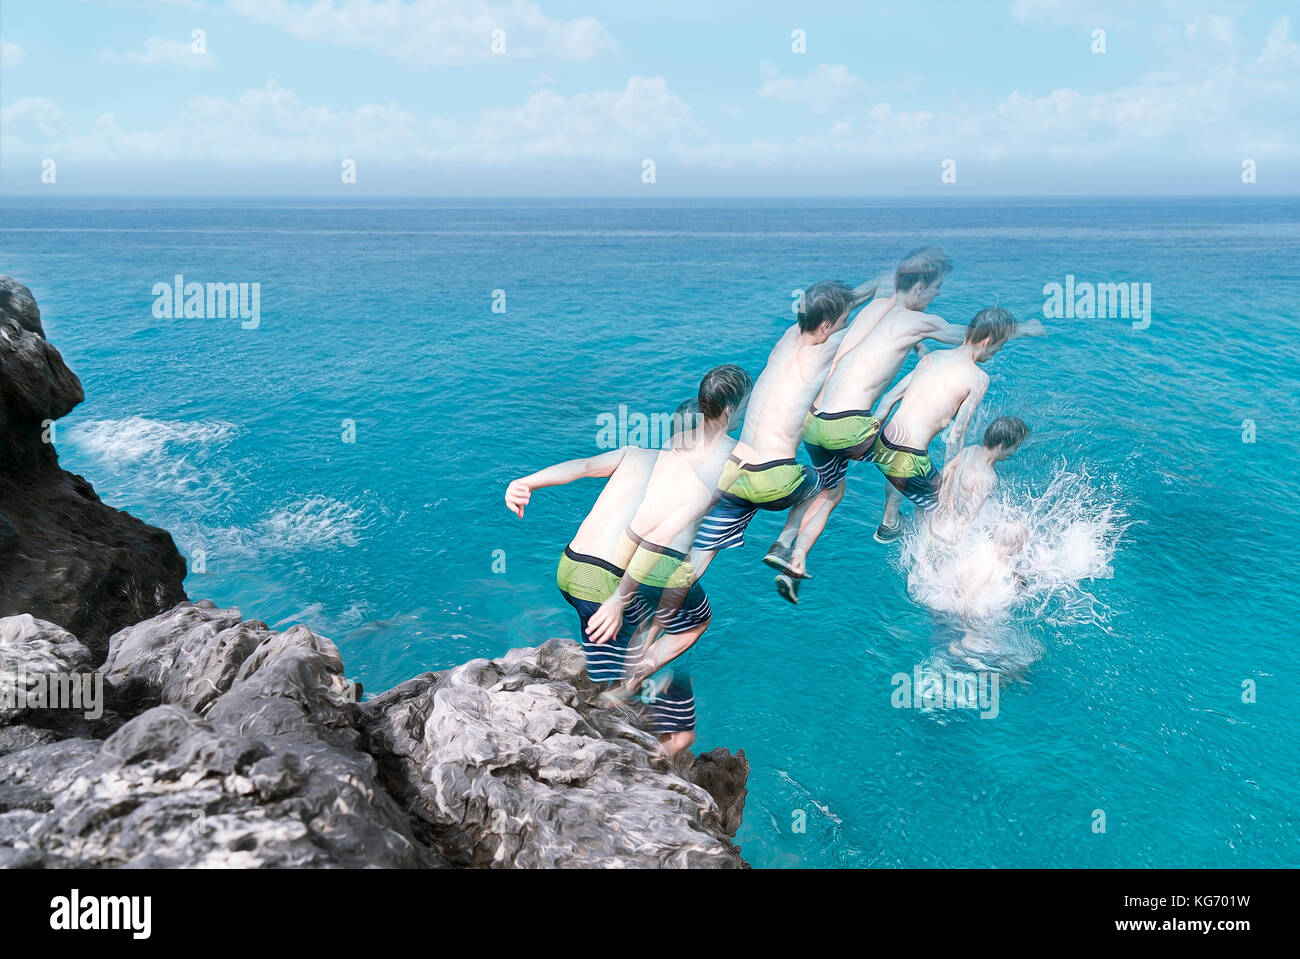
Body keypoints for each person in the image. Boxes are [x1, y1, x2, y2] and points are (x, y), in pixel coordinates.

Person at [766, 247, 969, 602]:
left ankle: (791, 555)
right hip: (848, 425)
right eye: (937, 287)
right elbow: (968, 339)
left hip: (814, 422)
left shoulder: (877, 301)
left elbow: (868, 307)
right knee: (919, 466)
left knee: (830, 493)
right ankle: (952, 564)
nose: (938, 294)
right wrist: (1008, 327)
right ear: (919, 288)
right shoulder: (915, 317)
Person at [580, 365, 752, 757]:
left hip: (631, 559)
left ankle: (633, 667)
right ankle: (636, 678)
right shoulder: (729, 458)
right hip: (674, 560)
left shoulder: (668, 451)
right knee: (695, 617)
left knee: (652, 615)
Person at [689, 279, 876, 578]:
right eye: (843, 320)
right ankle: (784, 542)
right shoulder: (826, 352)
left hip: (734, 470)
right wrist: (889, 291)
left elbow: (846, 302)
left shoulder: (788, 337)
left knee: (697, 560)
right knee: (826, 485)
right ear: (827, 326)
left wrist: (864, 291)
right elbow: (871, 323)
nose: (847, 323)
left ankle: (650, 615)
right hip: (774, 478)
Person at [869, 306, 1026, 541]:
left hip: (881, 446)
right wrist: (948, 490)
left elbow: (889, 399)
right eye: (1000, 345)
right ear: (987, 340)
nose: (997, 352)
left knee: (901, 469)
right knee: (941, 507)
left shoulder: (933, 357)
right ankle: (934, 552)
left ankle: (889, 523)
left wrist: (869, 437)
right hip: (909, 458)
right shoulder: (978, 378)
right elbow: (956, 436)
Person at [928, 415, 1030, 542]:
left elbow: (946, 472)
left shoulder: (970, 450)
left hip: (934, 525)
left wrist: (946, 496)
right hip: (947, 539)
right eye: (1015, 446)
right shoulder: (989, 478)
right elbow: (971, 516)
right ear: (1001, 446)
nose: (1015, 451)